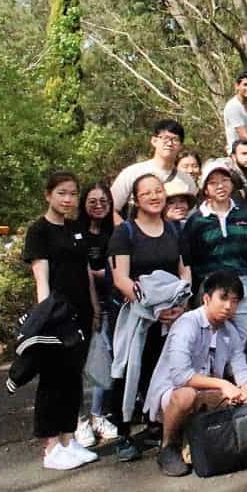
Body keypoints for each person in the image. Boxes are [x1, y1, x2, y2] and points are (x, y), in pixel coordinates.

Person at [144, 271, 247, 477]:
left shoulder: (230, 331)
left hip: (208, 392)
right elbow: (181, 377)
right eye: (223, 298)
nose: (229, 306)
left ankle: (196, 439)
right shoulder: (187, 324)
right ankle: (168, 446)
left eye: (235, 301)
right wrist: (222, 385)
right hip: (171, 393)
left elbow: (244, 375)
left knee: (246, 396)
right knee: (187, 395)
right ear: (207, 299)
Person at [108, 173, 192, 462]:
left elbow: (184, 271)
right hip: (138, 316)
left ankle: (158, 424)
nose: (155, 197)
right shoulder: (126, 233)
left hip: (172, 316)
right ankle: (124, 432)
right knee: (129, 369)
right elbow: (120, 277)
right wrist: (153, 308)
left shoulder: (174, 231)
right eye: (147, 193)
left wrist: (181, 304)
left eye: (159, 191)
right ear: (136, 199)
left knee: (163, 370)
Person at [23, 172, 100, 470]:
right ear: (48, 195)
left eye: (72, 193)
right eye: (61, 193)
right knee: (52, 381)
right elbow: (41, 279)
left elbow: (85, 274)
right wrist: (46, 319)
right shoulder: (38, 231)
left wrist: (94, 307)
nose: (67, 199)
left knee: (72, 379)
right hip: (56, 317)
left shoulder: (76, 229)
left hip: (82, 312)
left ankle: (69, 439)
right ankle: (51, 446)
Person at [180, 160, 247, 333]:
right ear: (205, 188)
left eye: (224, 180)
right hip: (210, 286)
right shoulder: (196, 221)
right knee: (210, 342)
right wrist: (193, 297)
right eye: (213, 182)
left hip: (242, 286)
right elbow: (190, 262)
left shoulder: (245, 216)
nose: (220, 186)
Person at [75, 182, 119, 449]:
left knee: (107, 359)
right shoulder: (75, 233)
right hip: (83, 305)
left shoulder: (114, 232)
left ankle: (98, 414)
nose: (99, 205)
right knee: (81, 365)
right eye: (93, 201)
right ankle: (80, 420)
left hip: (112, 302)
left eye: (104, 201)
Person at [110, 119, 189, 223]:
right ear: (154, 141)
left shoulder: (187, 181)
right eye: (165, 138)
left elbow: (189, 216)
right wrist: (127, 233)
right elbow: (110, 208)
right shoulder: (132, 173)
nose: (170, 143)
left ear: (181, 146)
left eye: (175, 139)